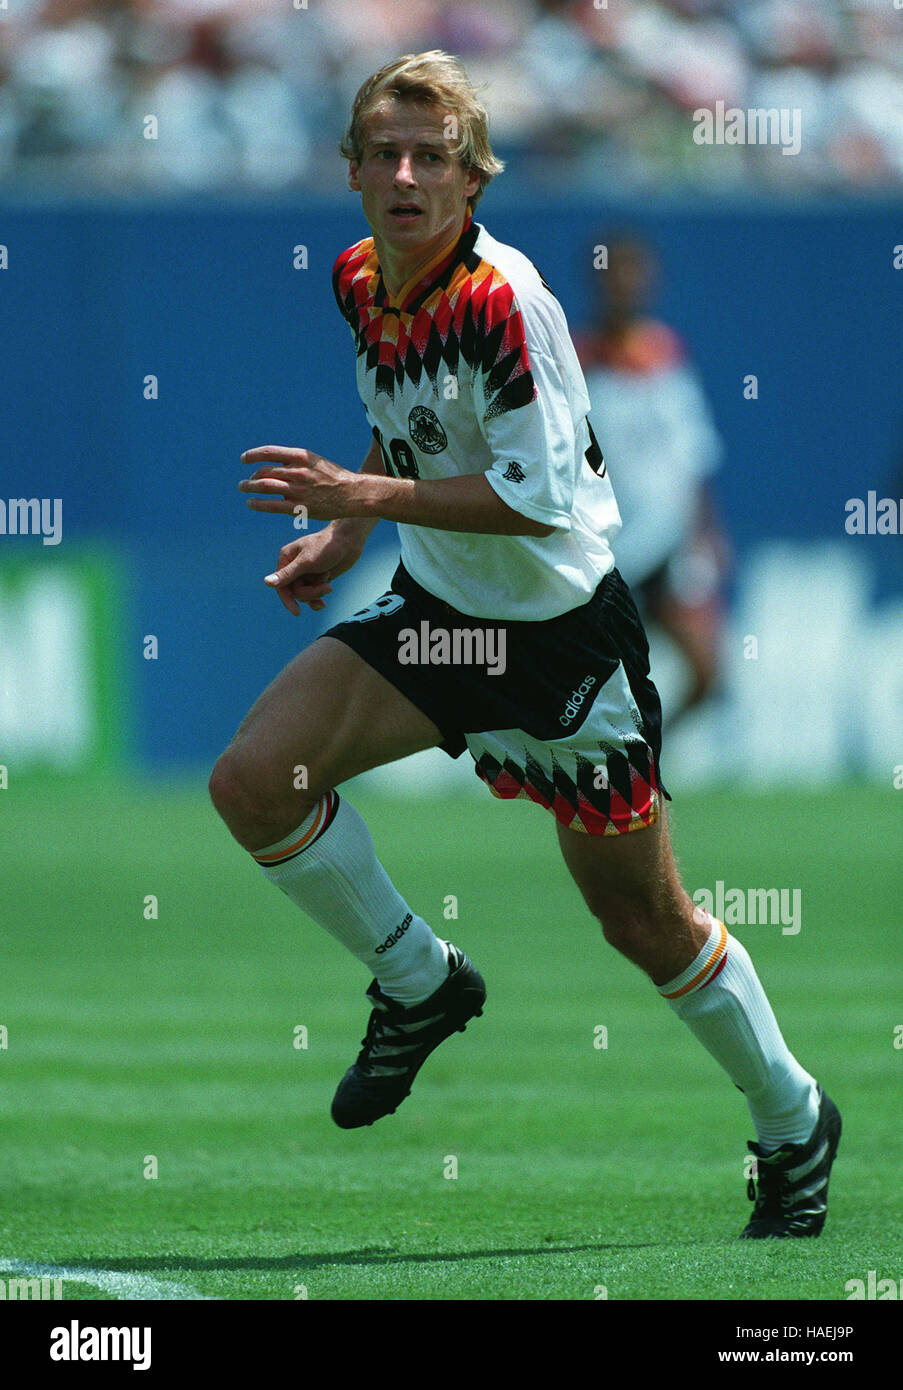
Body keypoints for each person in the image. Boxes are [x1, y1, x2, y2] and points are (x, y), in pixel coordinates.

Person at [209, 50, 840, 1239]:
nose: (406, 174)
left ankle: (793, 1116)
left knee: (643, 920)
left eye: (431, 157)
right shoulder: (360, 277)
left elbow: (535, 500)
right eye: (385, 153)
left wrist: (361, 499)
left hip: (557, 644)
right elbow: (409, 420)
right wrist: (348, 532)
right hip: (446, 620)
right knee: (256, 780)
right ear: (350, 171)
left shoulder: (508, 301)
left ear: (473, 176)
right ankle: (419, 980)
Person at [576, 235, 728, 730]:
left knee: (708, 673)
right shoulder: (578, 358)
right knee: (584, 672)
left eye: (634, 271)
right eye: (614, 271)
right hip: (607, 540)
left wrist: (707, 530)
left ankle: (649, 753)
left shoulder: (665, 352)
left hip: (667, 537)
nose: (625, 283)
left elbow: (692, 454)